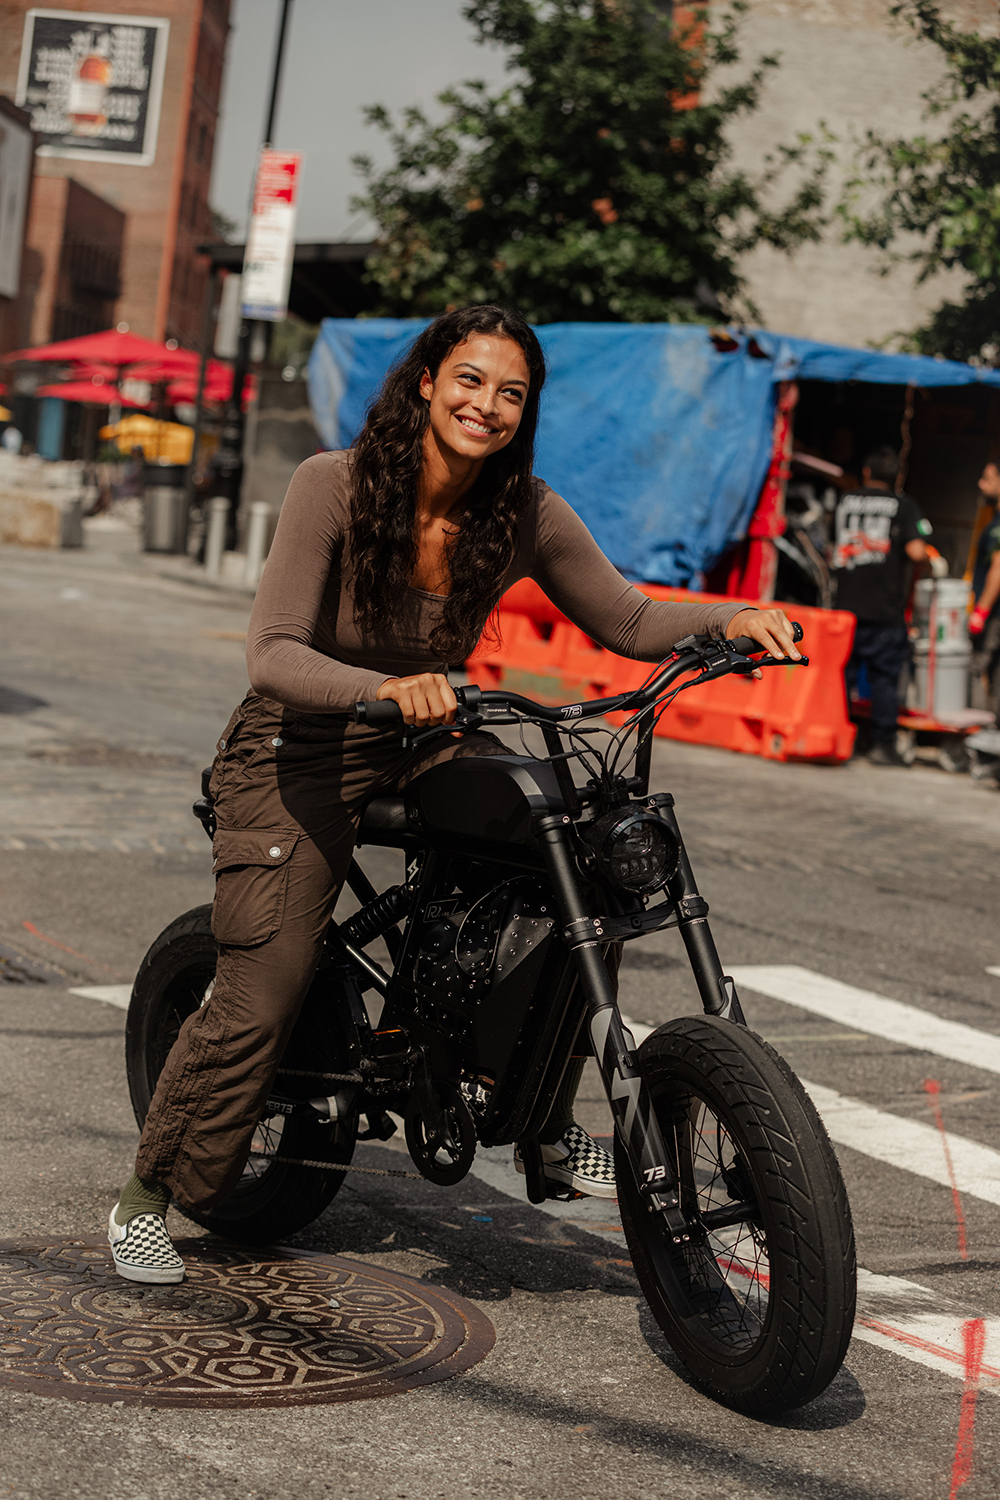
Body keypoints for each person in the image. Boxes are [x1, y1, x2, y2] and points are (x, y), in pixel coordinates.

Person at [107, 303, 799, 1284]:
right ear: (428, 380)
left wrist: (733, 617)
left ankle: (540, 1122)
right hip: (298, 746)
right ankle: (147, 1194)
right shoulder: (332, 485)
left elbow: (629, 616)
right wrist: (381, 689)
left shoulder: (522, 511)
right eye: (470, 380)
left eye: (511, 392)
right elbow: (272, 656)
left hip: (427, 738)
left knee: (568, 844)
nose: (488, 405)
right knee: (266, 983)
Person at [831, 444, 931, 766]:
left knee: (841, 676)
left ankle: (843, 736)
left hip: (844, 606)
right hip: (884, 609)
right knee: (884, 678)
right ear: (897, 477)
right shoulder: (904, 506)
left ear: (866, 473)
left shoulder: (846, 501)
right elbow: (917, 552)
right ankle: (882, 744)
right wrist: (931, 560)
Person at [969, 459, 1000, 720]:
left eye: (987, 479)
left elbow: (999, 569)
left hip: (994, 616)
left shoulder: (998, 527)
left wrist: (981, 612)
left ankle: (971, 733)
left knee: (972, 670)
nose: (981, 484)